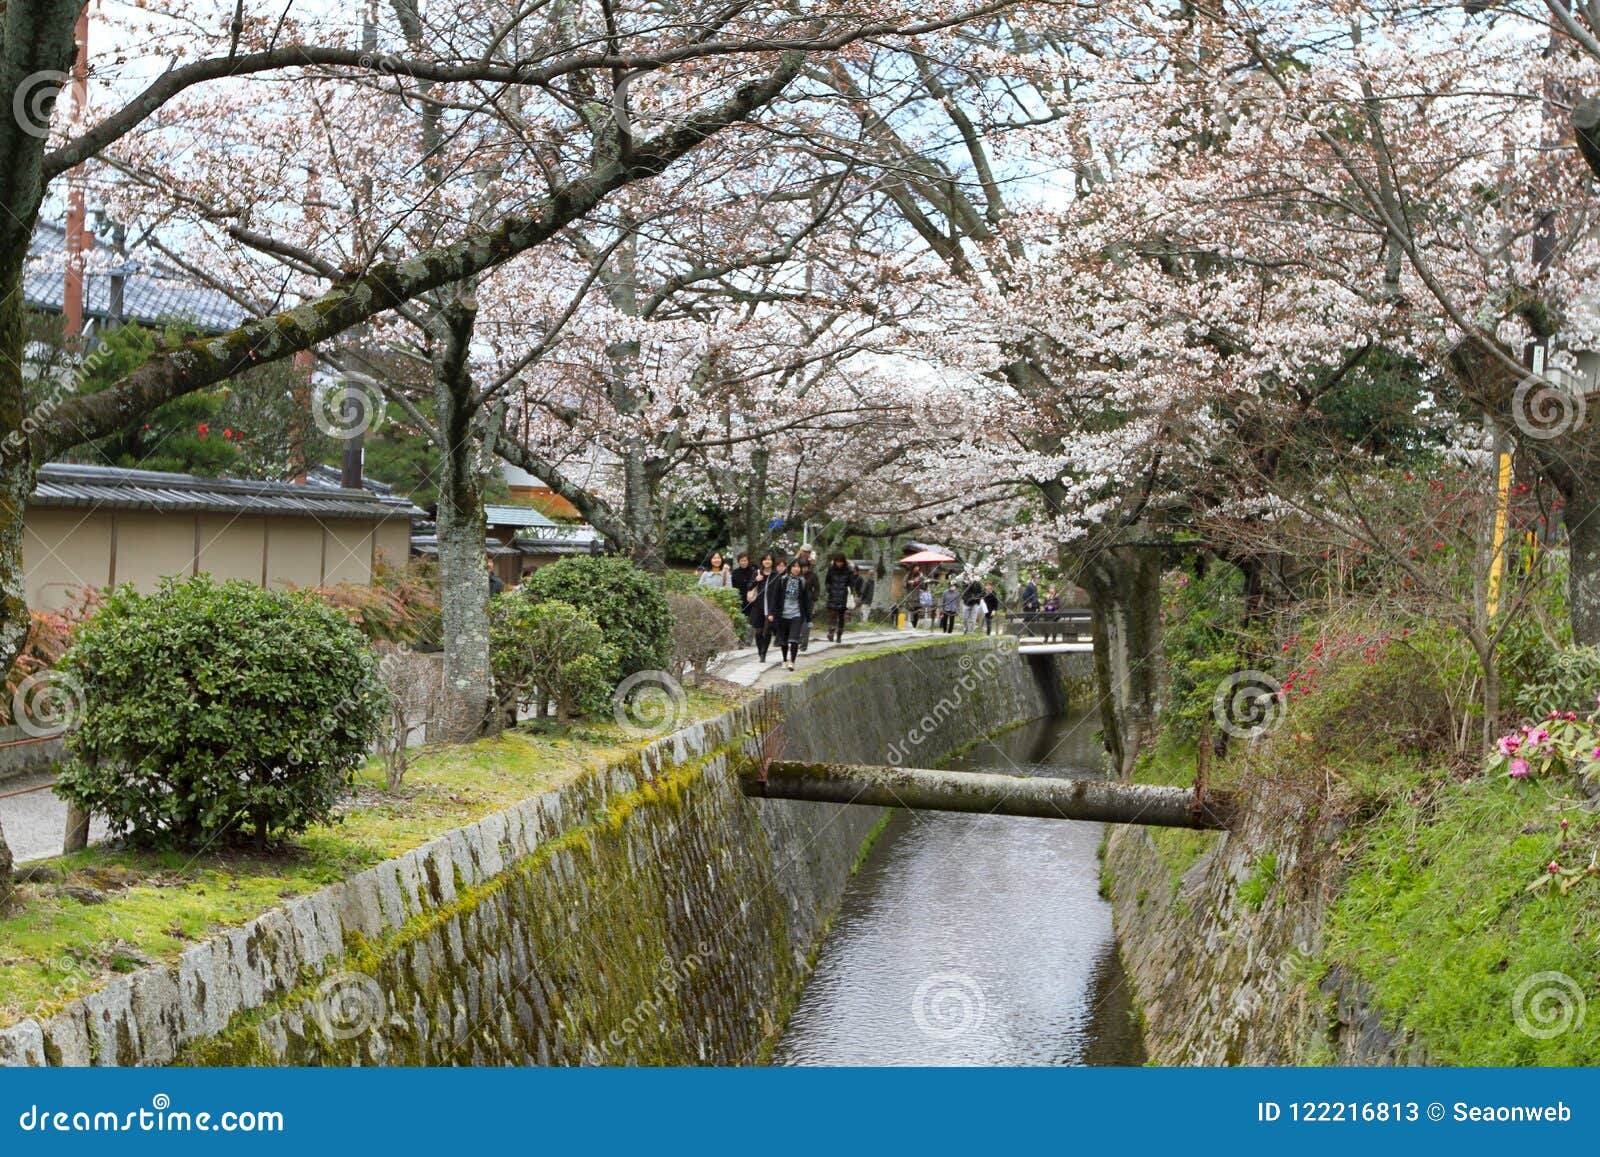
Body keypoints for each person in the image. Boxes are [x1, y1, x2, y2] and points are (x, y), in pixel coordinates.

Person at [772, 559, 813, 670]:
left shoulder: (802, 582)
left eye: (798, 567)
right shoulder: (782, 580)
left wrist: (809, 620)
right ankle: (785, 659)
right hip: (783, 615)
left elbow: (806, 602)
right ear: (790, 568)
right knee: (784, 641)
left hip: (797, 614)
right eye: (794, 566)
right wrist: (772, 613)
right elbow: (775, 598)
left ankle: (792, 662)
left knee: (794, 639)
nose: (796, 569)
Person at [745, 552, 779, 661]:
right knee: (758, 631)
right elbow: (749, 586)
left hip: (770, 607)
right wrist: (756, 580)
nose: (767, 561)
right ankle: (760, 651)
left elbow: (778, 593)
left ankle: (764, 653)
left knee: (767, 630)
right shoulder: (757, 572)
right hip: (758, 606)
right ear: (762, 561)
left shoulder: (776, 575)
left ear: (772, 561)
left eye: (769, 559)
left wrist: (774, 611)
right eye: (765, 559)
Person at [823, 553, 861, 643]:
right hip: (832, 595)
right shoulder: (831, 569)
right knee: (832, 615)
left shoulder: (848, 570)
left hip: (843, 596)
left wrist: (847, 589)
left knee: (841, 616)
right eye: (837, 562)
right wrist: (829, 589)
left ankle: (839, 634)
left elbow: (852, 582)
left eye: (840, 562)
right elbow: (827, 581)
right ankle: (831, 632)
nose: (839, 564)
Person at [797, 546, 820, 652]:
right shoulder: (796, 575)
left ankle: (804, 644)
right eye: (802, 567)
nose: (803, 569)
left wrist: (814, 597)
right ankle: (797, 639)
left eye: (805, 567)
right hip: (797, 601)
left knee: (806, 623)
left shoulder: (813, 576)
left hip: (809, 602)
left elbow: (817, 588)